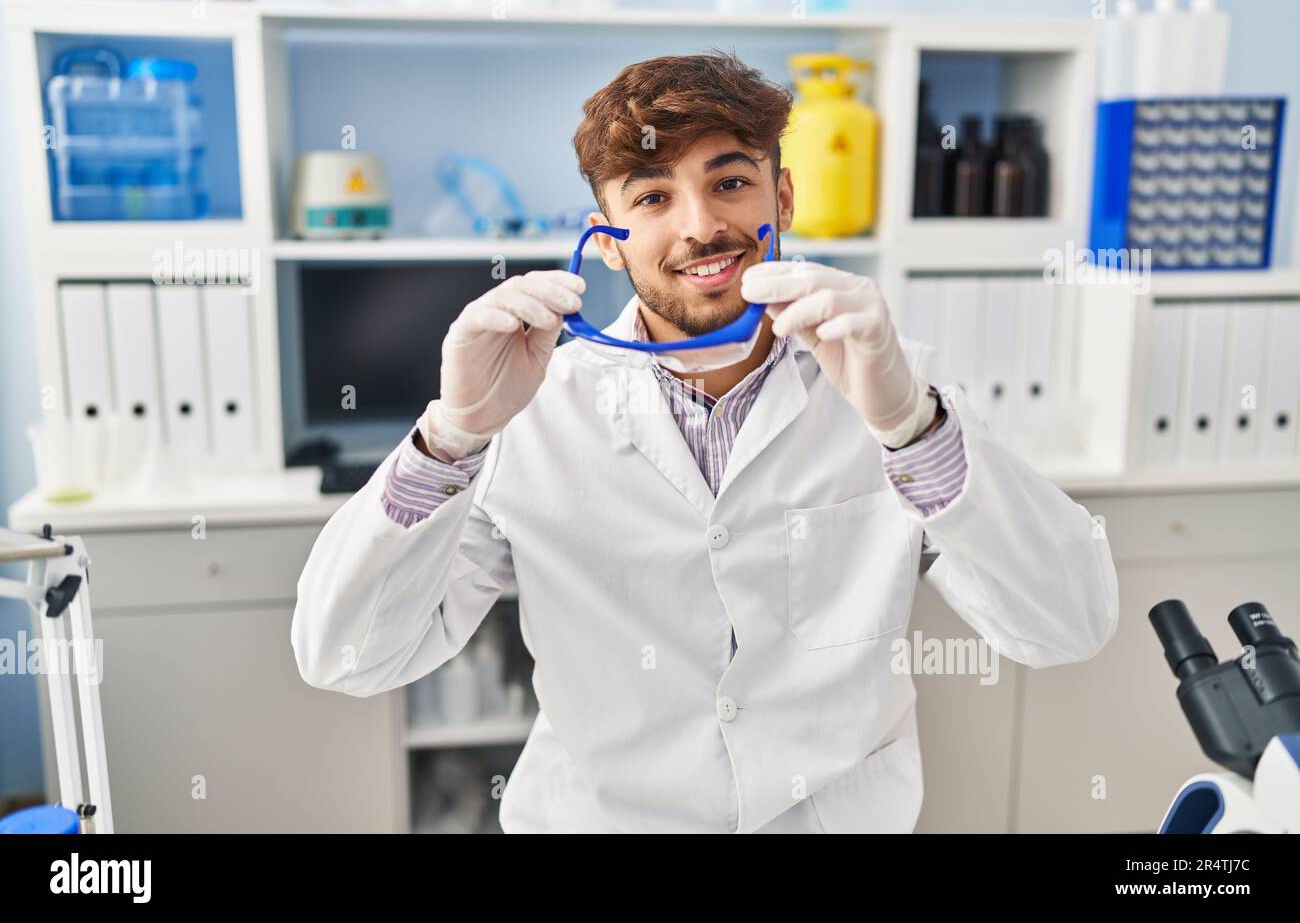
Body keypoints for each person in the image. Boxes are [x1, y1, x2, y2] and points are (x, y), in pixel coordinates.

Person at [292, 51, 1119, 833]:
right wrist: (451, 436)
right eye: (651, 197)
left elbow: (1067, 624)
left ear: (783, 199)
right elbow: (348, 656)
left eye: (729, 181)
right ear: (607, 235)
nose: (700, 226)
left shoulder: (901, 391)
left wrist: (910, 429)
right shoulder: (530, 415)